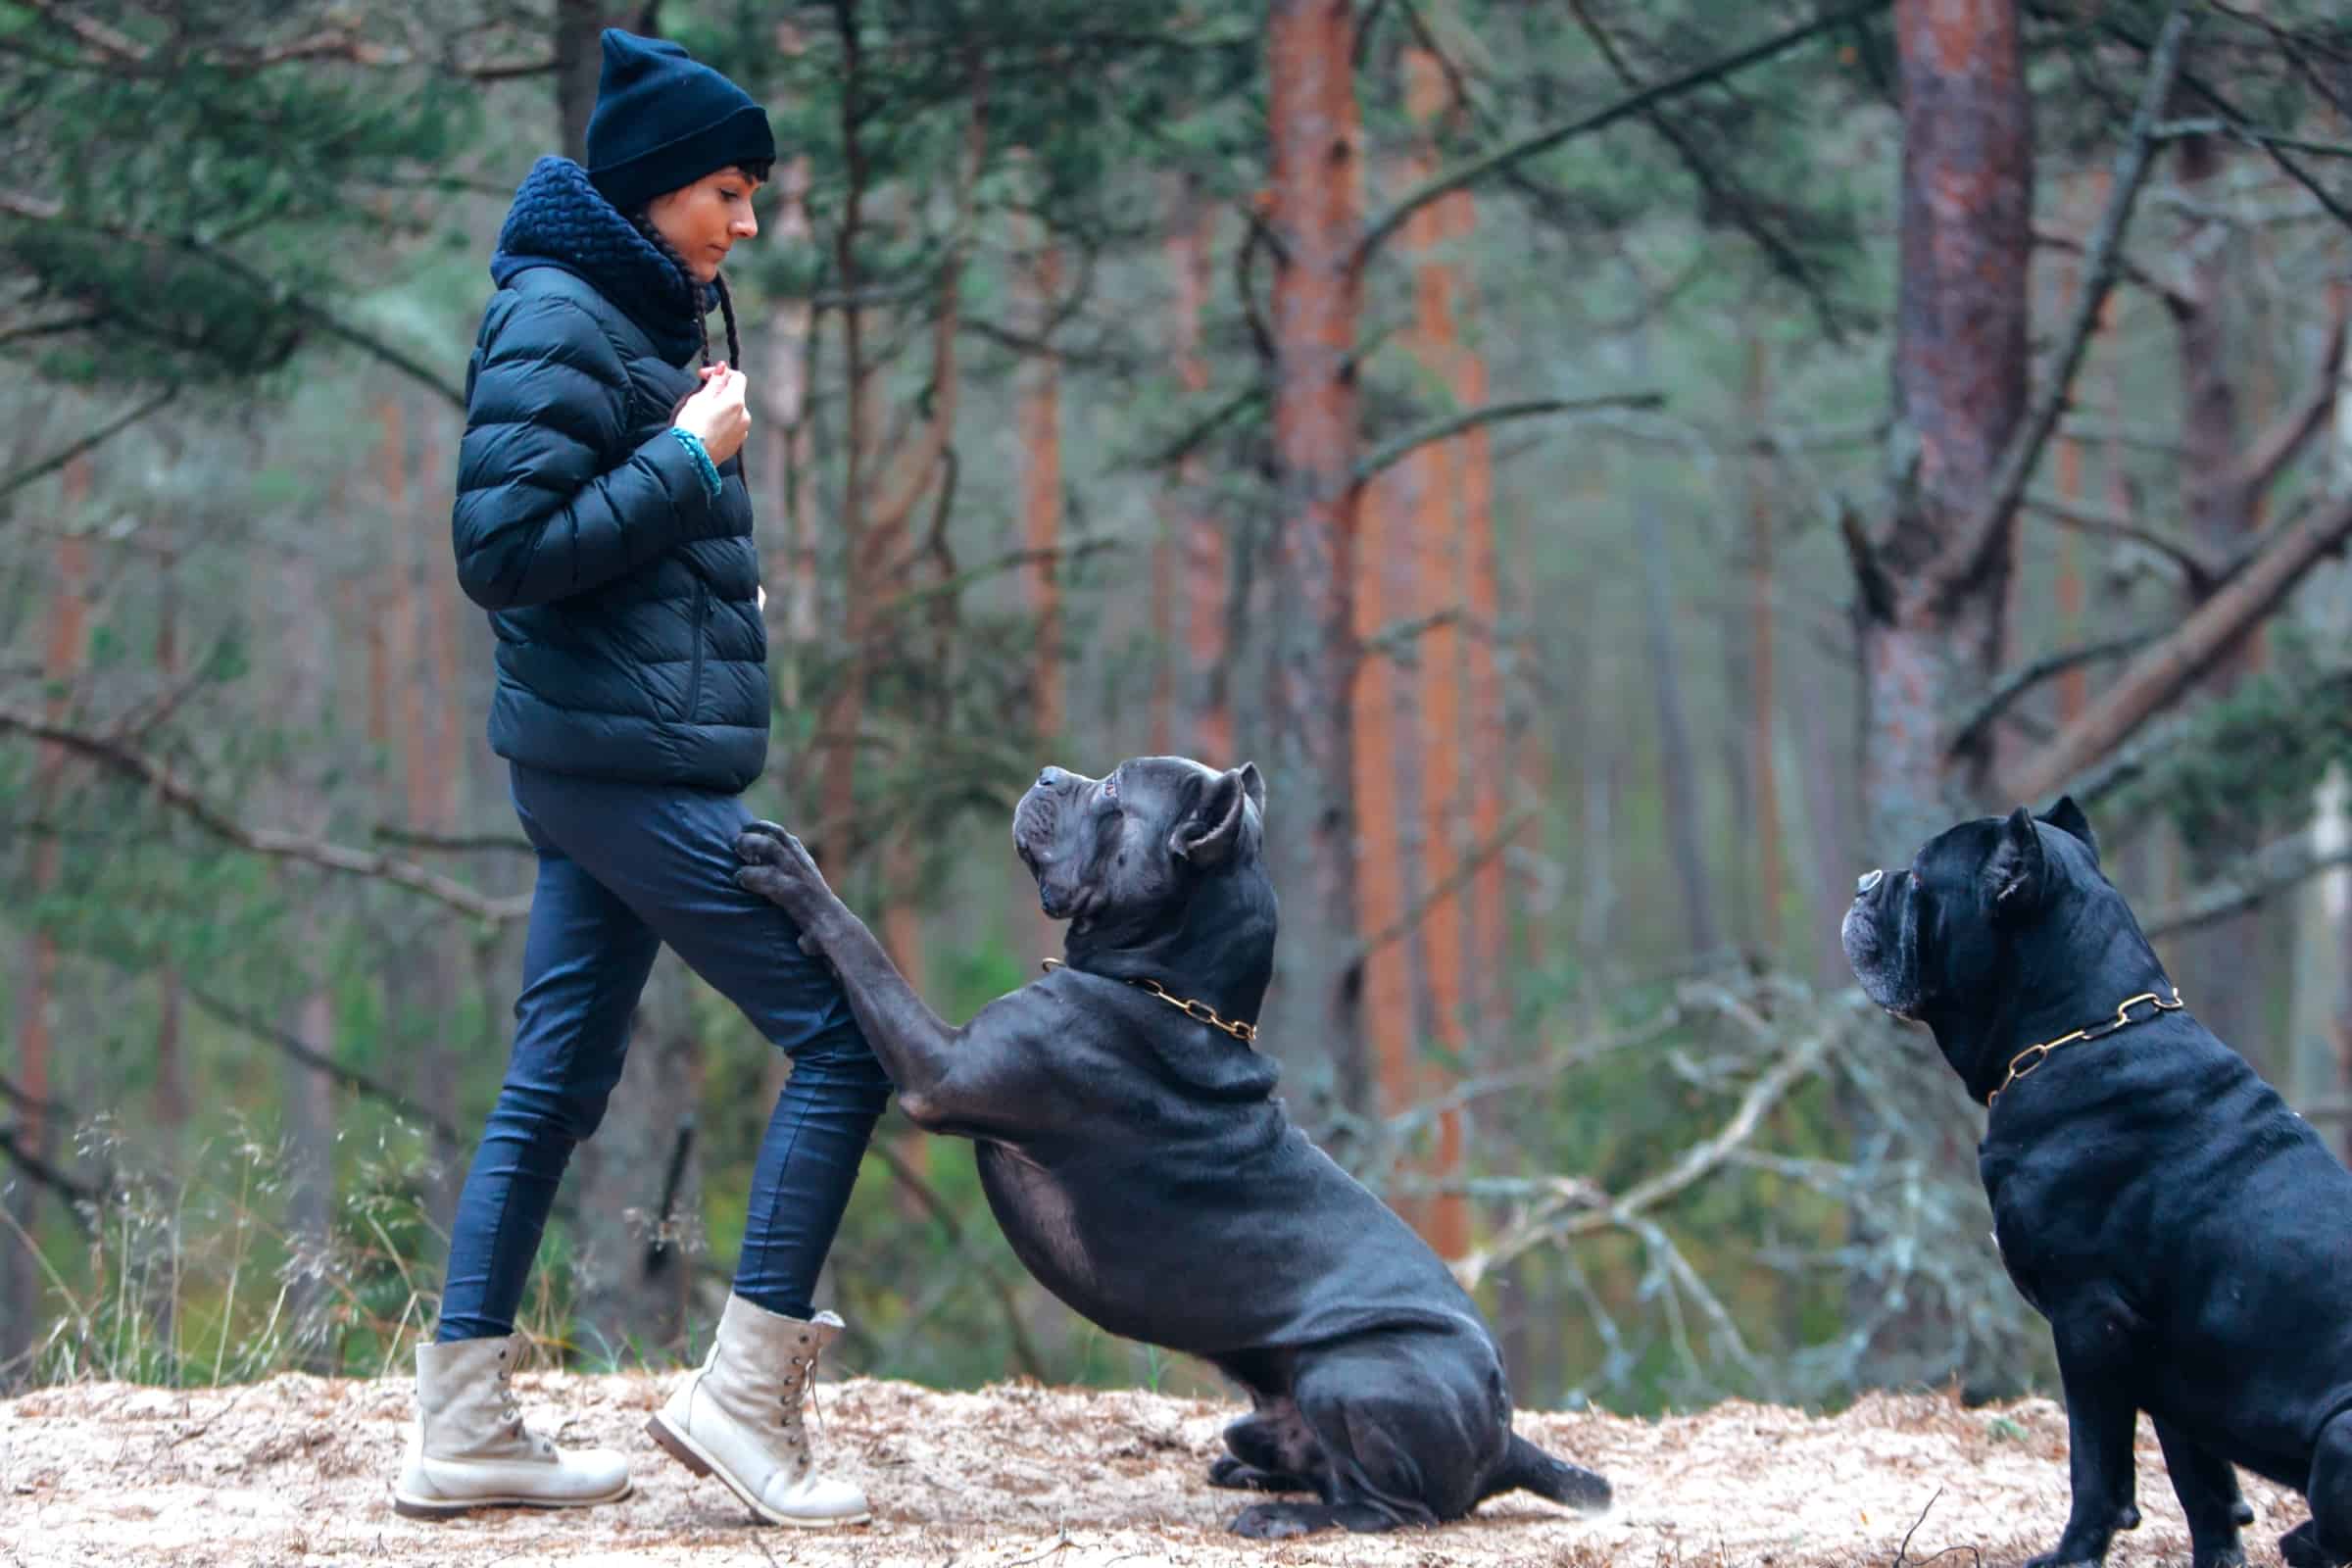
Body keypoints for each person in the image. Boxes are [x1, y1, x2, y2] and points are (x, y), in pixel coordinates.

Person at [391, 28, 888, 1530]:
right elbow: (502, 555)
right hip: (618, 770)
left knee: (553, 1083)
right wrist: (684, 459)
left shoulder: (633, 313)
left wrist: (682, 447)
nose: (746, 221)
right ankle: (742, 1408)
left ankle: (462, 1426)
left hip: (604, 757)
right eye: (728, 191)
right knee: (848, 1039)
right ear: (658, 187)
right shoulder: (559, 316)